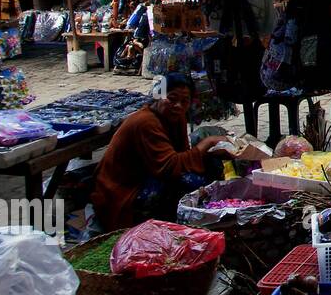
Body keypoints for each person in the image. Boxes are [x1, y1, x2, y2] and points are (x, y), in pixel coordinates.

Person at [89, 73, 230, 231]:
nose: (178, 106)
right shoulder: (145, 122)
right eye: (172, 99)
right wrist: (206, 145)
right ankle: (165, 227)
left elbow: (181, 154)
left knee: (211, 165)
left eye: (184, 102)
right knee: (190, 182)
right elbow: (169, 166)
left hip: (151, 174)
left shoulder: (176, 117)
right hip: (121, 190)